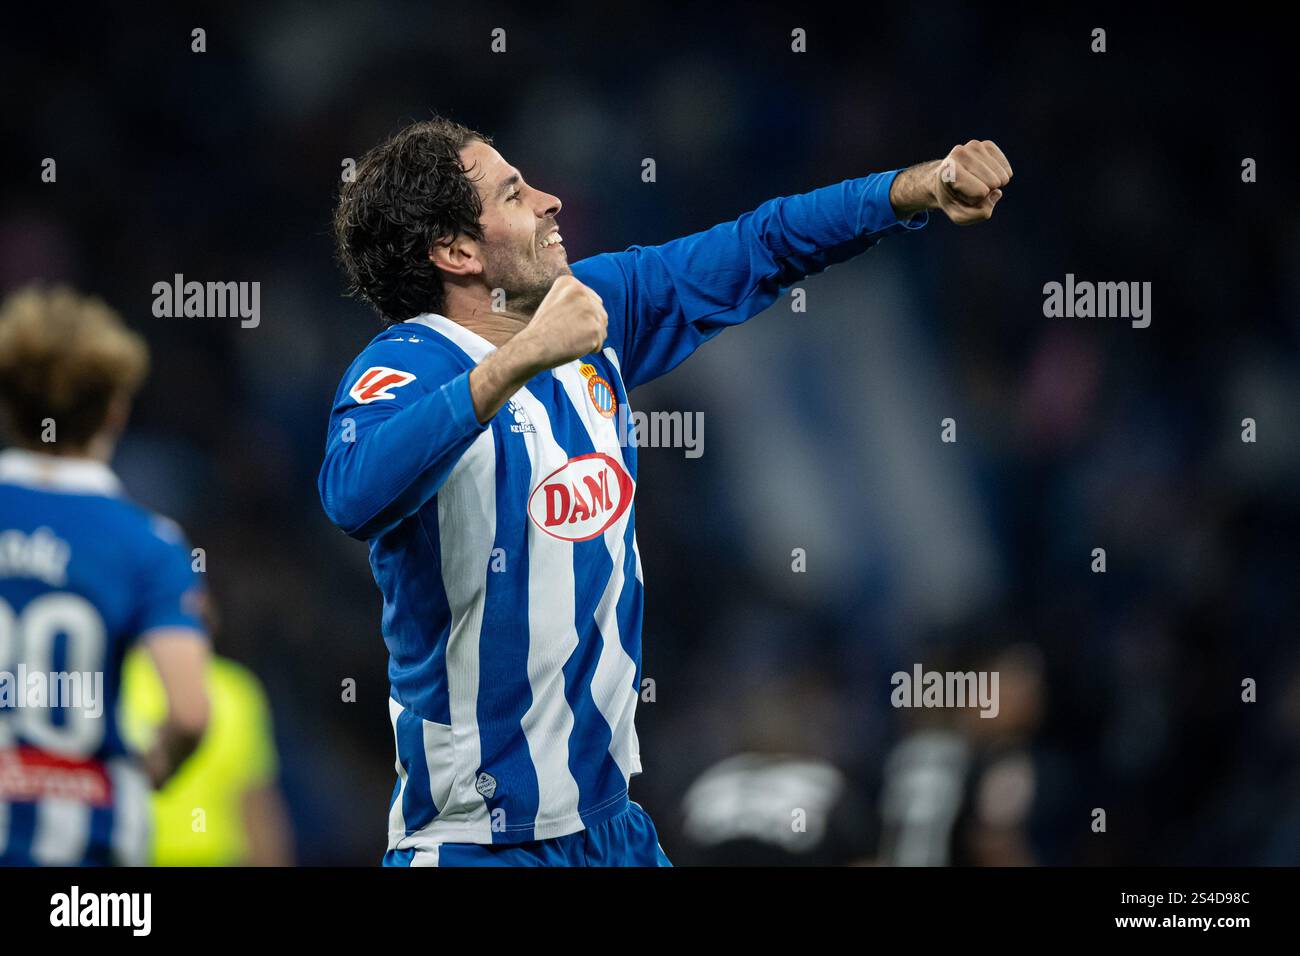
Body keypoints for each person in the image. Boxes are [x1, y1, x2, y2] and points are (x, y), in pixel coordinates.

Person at [319, 116, 1011, 866]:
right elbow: (353, 493)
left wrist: (916, 188)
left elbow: (761, 244)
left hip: (611, 832)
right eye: (516, 193)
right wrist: (519, 358)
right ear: (456, 252)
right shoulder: (406, 366)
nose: (550, 201)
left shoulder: (592, 311)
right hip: (477, 844)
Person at [0, 286, 210, 865]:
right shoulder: (147, 543)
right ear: (115, 408)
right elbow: (190, 711)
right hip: (88, 855)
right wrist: (154, 769)